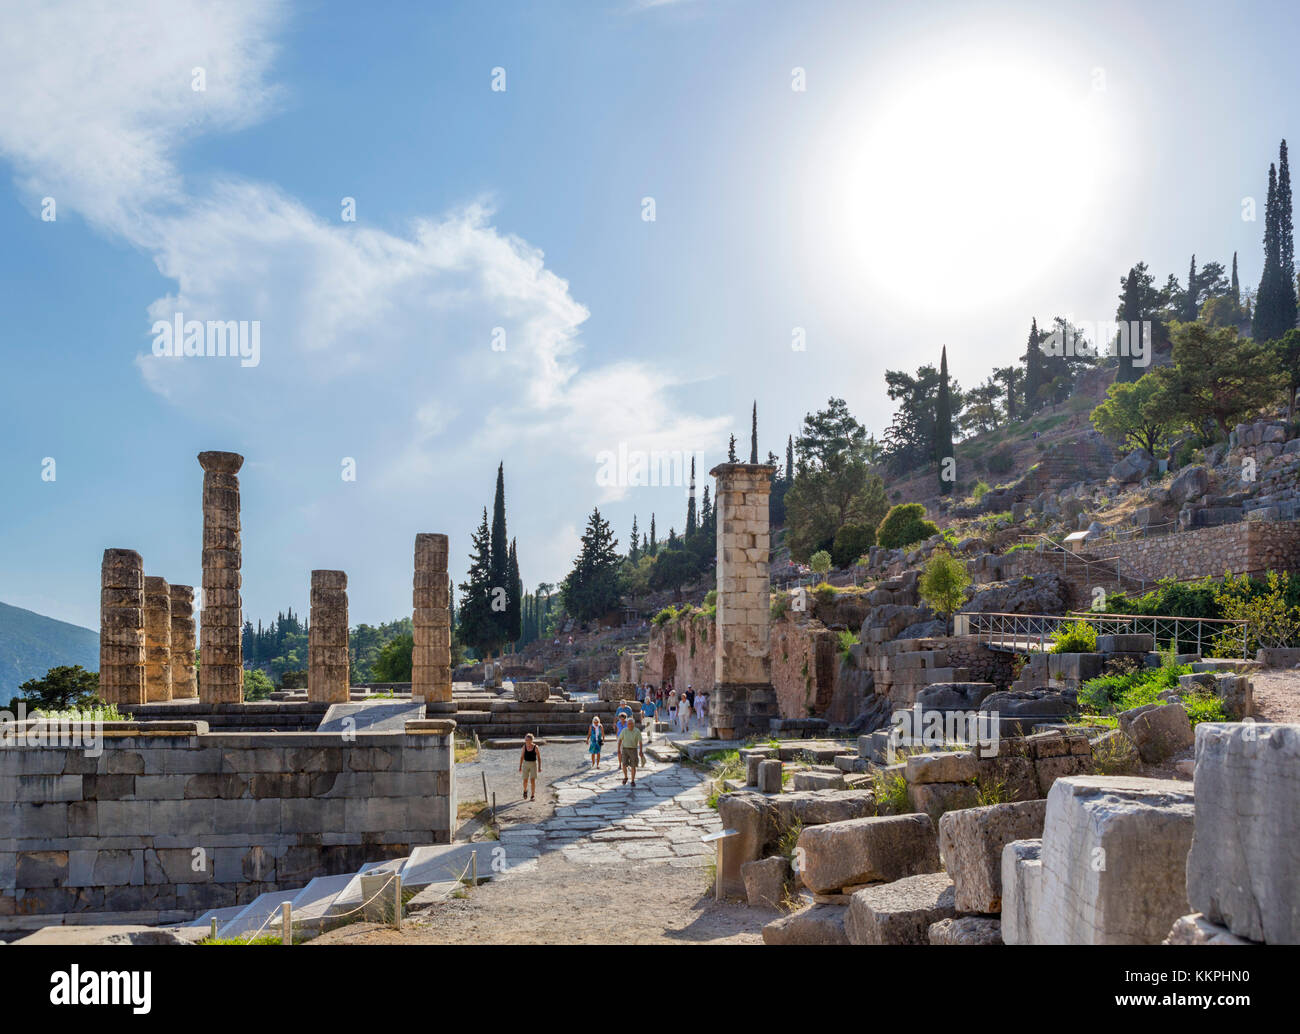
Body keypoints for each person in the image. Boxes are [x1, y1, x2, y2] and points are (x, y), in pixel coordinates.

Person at [618, 714, 644, 787]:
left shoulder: (637, 731)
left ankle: (632, 780)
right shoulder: (624, 730)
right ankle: (626, 777)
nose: (630, 725)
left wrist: (641, 751)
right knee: (624, 764)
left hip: (633, 749)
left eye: (631, 724)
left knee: (633, 765)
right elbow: (620, 740)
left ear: (634, 724)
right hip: (625, 749)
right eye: (628, 724)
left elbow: (640, 742)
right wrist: (618, 750)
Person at [519, 733, 541, 801]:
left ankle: (532, 795)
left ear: (531, 740)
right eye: (525, 740)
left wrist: (539, 767)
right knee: (525, 780)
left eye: (528, 740)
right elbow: (522, 757)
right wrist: (520, 766)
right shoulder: (524, 747)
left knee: (532, 781)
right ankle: (525, 791)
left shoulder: (535, 747)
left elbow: (539, 758)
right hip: (525, 764)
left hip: (533, 764)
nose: (526, 741)